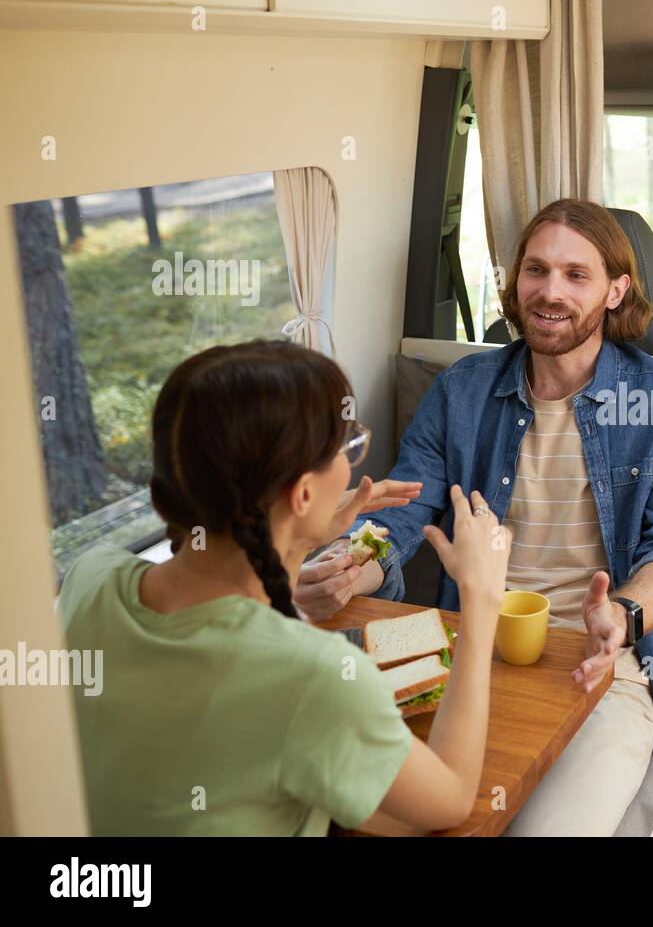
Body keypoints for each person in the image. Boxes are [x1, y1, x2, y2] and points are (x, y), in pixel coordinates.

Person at [295, 199, 653, 836]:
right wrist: (349, 566)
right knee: (352, 804)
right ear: (514, 278)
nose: (550, 292)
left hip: (605, 660)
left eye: (577, 275)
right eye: (536, 270)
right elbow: (404, 512)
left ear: (616, 291)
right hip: (463, 639)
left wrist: (623, 615)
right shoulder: (461, 390)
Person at [58, 340, 511, 835]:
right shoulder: (315, 678)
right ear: (302, 493)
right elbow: (450, 799)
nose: (355, 461)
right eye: (348, 444)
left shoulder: (89, 576)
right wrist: (481, 598)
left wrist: (295, 542)